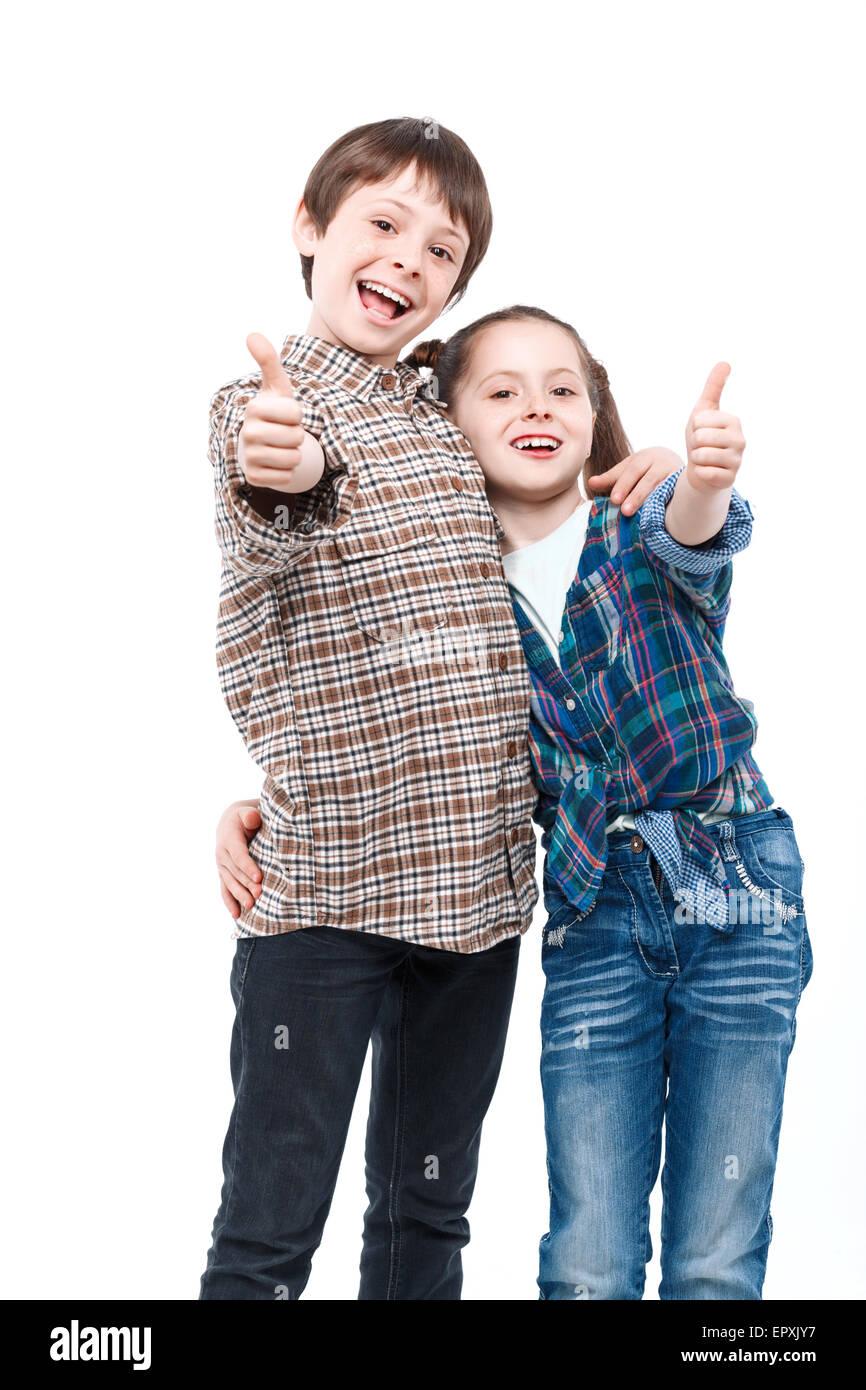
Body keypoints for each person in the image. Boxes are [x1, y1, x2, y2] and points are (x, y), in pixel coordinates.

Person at [218, 304, 812, 1301]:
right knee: (587, 1251)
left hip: (731, 882)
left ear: (594, 412)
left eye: (562, 388)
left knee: (715, 1241)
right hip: (593, 909)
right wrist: (261, 798)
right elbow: (406, 720)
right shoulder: (454, 586)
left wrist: (701, 476)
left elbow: (698, 532)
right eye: (500, 391)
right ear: (448, 422)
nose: (535, 406)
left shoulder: (638, 518)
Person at [201, 119, 682, 1301]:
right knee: (270, 1224)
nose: (406, 262)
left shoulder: (446, 406)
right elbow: (274, 498)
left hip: (472, 899)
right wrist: (284, 465)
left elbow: (548, 459)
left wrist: (649, 464)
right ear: (310, 230)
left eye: (440, 250)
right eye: (380, 225)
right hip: (322, 897)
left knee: (425, 1214)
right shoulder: (257, 413)